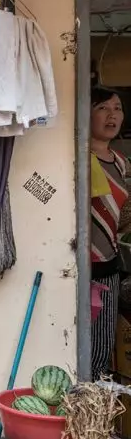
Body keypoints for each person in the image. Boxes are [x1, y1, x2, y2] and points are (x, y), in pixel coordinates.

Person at [91, 87, 129, 378]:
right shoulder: (75, 157)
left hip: (108, 264)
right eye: (103, 108)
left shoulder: (120, 163)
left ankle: (93, 413)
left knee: (102, 346)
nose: (112, 115)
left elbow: (123, 212)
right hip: (78, 266)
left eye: (117, 108)